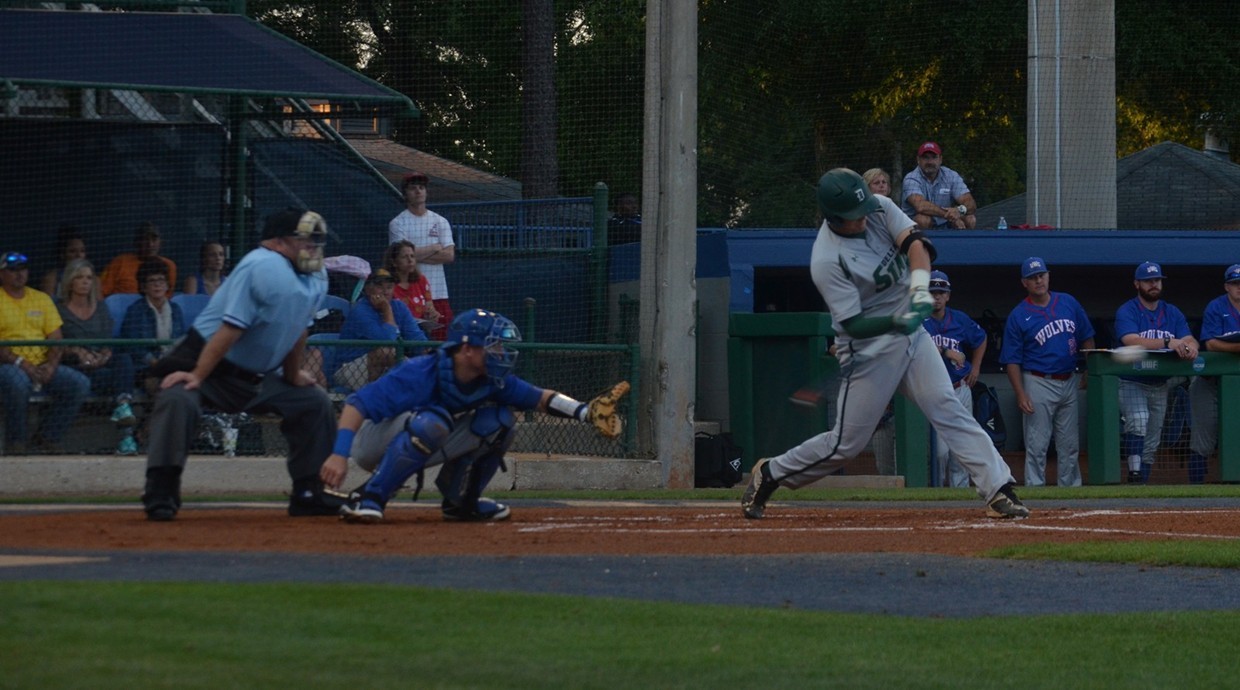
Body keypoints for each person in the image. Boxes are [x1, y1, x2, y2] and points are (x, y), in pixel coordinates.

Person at [740, 168, 1028, 521]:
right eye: (852, 218)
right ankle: (770, 473)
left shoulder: (876, 206)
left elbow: (916, 244)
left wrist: (919, 289)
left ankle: (998, 488)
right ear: (832, 218)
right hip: (868, 349)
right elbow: (852, 324)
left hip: (912, 337)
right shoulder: (827, 259)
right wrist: (893, 320)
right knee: (845, 446)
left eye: (863, 211)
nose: (862, 220)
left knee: (946, 405)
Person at [320, 308, 629, 523]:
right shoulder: (420, 372)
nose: (501, 353)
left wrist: (585, 412)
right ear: (467, 349)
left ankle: (461, 503)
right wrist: (338, 455)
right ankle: (370, 498)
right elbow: (357, 404)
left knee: (500, 421)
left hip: (423, 432)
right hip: (372, 442)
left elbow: (540, 397)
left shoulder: (491, 380)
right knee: (433, 421)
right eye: (493, 346)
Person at [139, 208, 344, 521]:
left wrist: (292, 375)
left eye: (318, 241)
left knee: (312, 400)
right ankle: (161, 492)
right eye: (306, 240)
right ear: (277, 243)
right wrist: (196, 376)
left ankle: (310, 492)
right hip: (208, 362)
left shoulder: (316, 275)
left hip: (258, 375)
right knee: (177, 397)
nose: (315, 247)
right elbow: (230, 330)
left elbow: (299, 328)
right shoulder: (262, 265)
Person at [999, 257, 1095, 487]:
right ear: (1025, 283)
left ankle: (1070, 491)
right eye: (1032, 278)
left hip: (1069, 378)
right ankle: (1035, 490)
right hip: (1037, 381)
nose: (1038, 280)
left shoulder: (1068, 302)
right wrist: (1020, 393)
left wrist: (1089, 369)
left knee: (1069, 444)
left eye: (1041, 275)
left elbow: (1087, 337)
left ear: (1048, 276)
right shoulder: (1019, 314)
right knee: (1037, 444)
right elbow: (1011, 360)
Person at [1113, 261, 1199, 484]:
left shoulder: (1171, 312)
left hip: (1159, 383)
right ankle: (1133, 475)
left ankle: (1141, 487)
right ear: (1137, 284)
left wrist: (1191, 347)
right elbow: (1130, 339)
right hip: (1131, 381)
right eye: (1148, 281)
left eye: (1157, 280)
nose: (1153, 284)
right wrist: (1169, 341)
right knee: (1139, 420)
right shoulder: (1128, 309)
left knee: (1152, 440)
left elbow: (1189, 338)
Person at [0, 251, 90, 453]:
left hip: (41, 363)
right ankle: (16, 442)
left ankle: (46, 438)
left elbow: (56, 338)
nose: (19, 274)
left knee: (79, 384)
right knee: (18, 382)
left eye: (22, 269)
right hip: (8, 365)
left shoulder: (41, 298)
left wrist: (51, 365)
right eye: (12, 270)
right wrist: (22, 364)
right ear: (2, 274)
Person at [55, 258, 140, 454]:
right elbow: (57, 343)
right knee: (109, 377)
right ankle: (126, 436)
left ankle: (123, 408)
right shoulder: (59, 309)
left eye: (89, 278)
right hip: (76, 367)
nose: (85, 282)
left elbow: (108, 341)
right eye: (79, 278)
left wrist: (104, 355)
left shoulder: (101, 307)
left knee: (124, 359)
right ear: (70, 281)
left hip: (103, 365)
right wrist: (77, 352)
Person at [921, 270, 987, 487]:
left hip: (960, 387)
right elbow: (912, 346)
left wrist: (975, 367)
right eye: (932, 292)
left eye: (941, 292)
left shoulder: (959, 318)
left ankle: (959, 495)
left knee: (961, 447)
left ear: (947, 295)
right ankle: (937, 494)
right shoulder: (917, 320)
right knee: (939, 452)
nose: (936, 297)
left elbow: (981, 338)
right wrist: (945, 352)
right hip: (933, 391)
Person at [330, 268, 428, 389]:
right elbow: (387, 341)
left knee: (430, 358)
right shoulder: (360, 311)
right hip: (348, 369)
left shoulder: (399, 307)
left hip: (385, 367)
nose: (385, 292)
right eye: (380, 287)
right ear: (367, 289)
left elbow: (417, 340)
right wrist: (387, 310)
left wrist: (429, 354)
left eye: (389, 287)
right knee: (386, 352)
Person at [1187, 264, 1240, 484]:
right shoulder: (1216, 307)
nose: (1239, 287)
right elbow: (1210, 343)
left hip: (1236, 384)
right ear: (1227, 286)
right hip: (1209, 383)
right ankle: (1195, 490)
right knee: (1203, 439)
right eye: (1235, 283)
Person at [388, 172, 454, 340]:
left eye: (421, 187)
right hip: (409, 294)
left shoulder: (440, 221)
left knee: (444, 343)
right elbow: (399, 256)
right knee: (413, 345)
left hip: (439, 293)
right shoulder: (397, 223)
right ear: (405, 194)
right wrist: (434, 247)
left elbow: (449, 256)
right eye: (412, 188)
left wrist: (414, 255)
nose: (418, 191)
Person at [119, 258, 187, 390]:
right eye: (152, 281)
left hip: (172, 364)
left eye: (161, 280)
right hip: (145, 368)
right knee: (158, 383)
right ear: (143, 286)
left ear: (167, 285)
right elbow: (133, 347)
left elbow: (181, 341)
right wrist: (155, 362)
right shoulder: (135, 310)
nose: (157, 285)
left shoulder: (176, 310)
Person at [900, 142, 977, 230]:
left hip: (946, 223)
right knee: (922, 219)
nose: (930, 162)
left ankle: (964, 244)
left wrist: (959, 211)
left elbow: (970, 202)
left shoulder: (951, 175)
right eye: (925, 158)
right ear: (918, 160)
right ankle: (923, 244)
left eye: (934, 157)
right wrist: (949, 215)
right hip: (913, 229)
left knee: (970, 219)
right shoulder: (911, 178)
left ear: (940, 159)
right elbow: (920, 206)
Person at [100, 222, 178, 297]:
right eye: (145, 239)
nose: (150, 244)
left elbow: (167, 296)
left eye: (154, 239)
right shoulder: (120, 262)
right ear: (136, 242)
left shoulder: (169, 265)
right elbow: (101, 292)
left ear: (160, 241)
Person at [383, 240, 439, 326]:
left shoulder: (421, 280)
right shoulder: (387, 285)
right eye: (404, 257)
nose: (410, 260)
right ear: (394, 262)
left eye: (412, 256)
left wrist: (432, 315)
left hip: (419, 330)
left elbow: (429, 308)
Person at [40, 225, 87, 296]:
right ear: (62, 254)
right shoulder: (51, 279)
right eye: (72, 251)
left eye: (82, 251)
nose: (78, 255)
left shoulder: (94, 280)